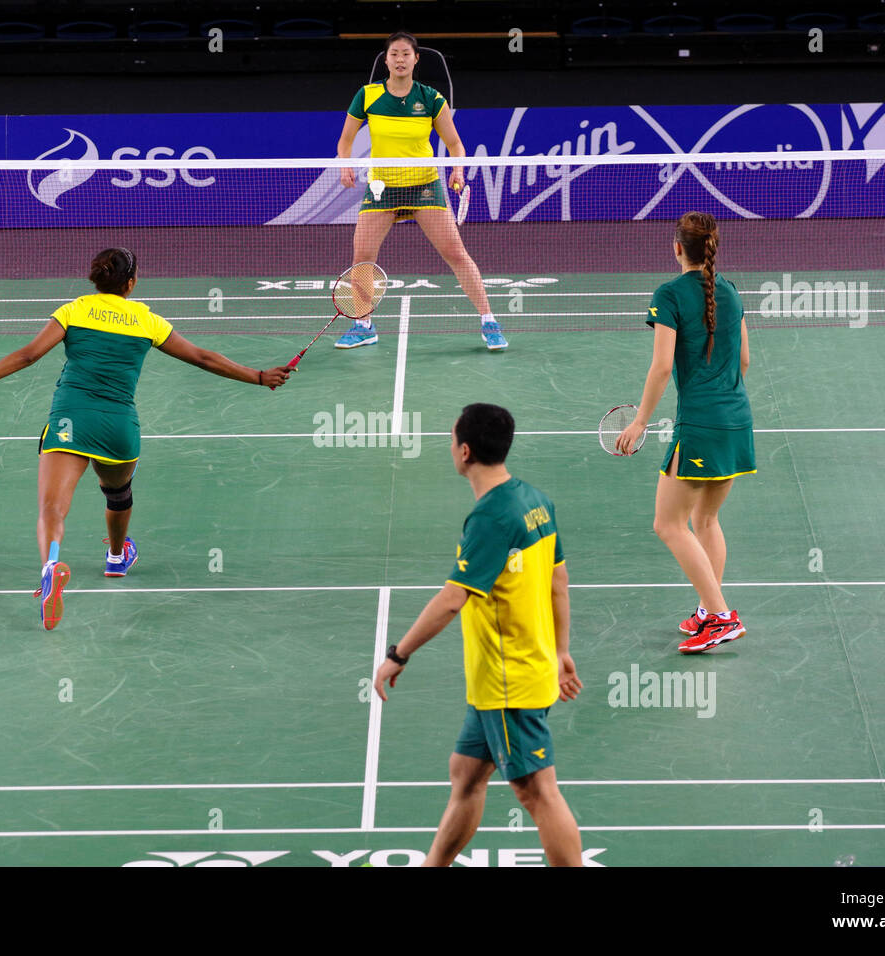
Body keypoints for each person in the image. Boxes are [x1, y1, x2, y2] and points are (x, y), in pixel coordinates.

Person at [0, 247, 292, 630]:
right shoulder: (146, 319)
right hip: (119, 428)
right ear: (131, 282)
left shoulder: (74, 310)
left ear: (94, 279)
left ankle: (50, 565)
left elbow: (27, 356)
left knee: (52, 509)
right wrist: (257, 376)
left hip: (70, 421)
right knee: (118, 495)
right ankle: (118, 557)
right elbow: (203, 357)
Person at [373, 403, 583, 867]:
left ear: (465, 451)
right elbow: (558, 581)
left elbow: (452, 599)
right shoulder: (534, 500)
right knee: (466, 775)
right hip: (513, 672)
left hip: (511, 680)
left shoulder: (490, 519)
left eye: (451, 440)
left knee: (538, 793)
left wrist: (398, 654)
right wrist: (561, 651)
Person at [615, 212, 754, 653]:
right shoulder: (729, 291)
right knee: (706, 519)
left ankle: (720, 616)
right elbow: (745, 361)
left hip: (701, 423)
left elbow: (661, 367)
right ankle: (705, 610)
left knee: (668, 523)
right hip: (737, 419)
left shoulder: (670, 294)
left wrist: (640, 421)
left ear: (677, 248)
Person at [335, 31, 506, 351]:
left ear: (416, 59)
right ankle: (362, 325)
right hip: (382, 188)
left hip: (424, 187)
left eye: (405, 54)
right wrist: (344, 164)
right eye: (394, 54)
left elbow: (455, 144)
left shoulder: (431, 98)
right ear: (385, 60)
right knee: (362, 257)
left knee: (456, 254)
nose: (400, 59)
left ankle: (489, 320)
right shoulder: (367, 95)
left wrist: (458, 169)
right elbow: (345, 141)